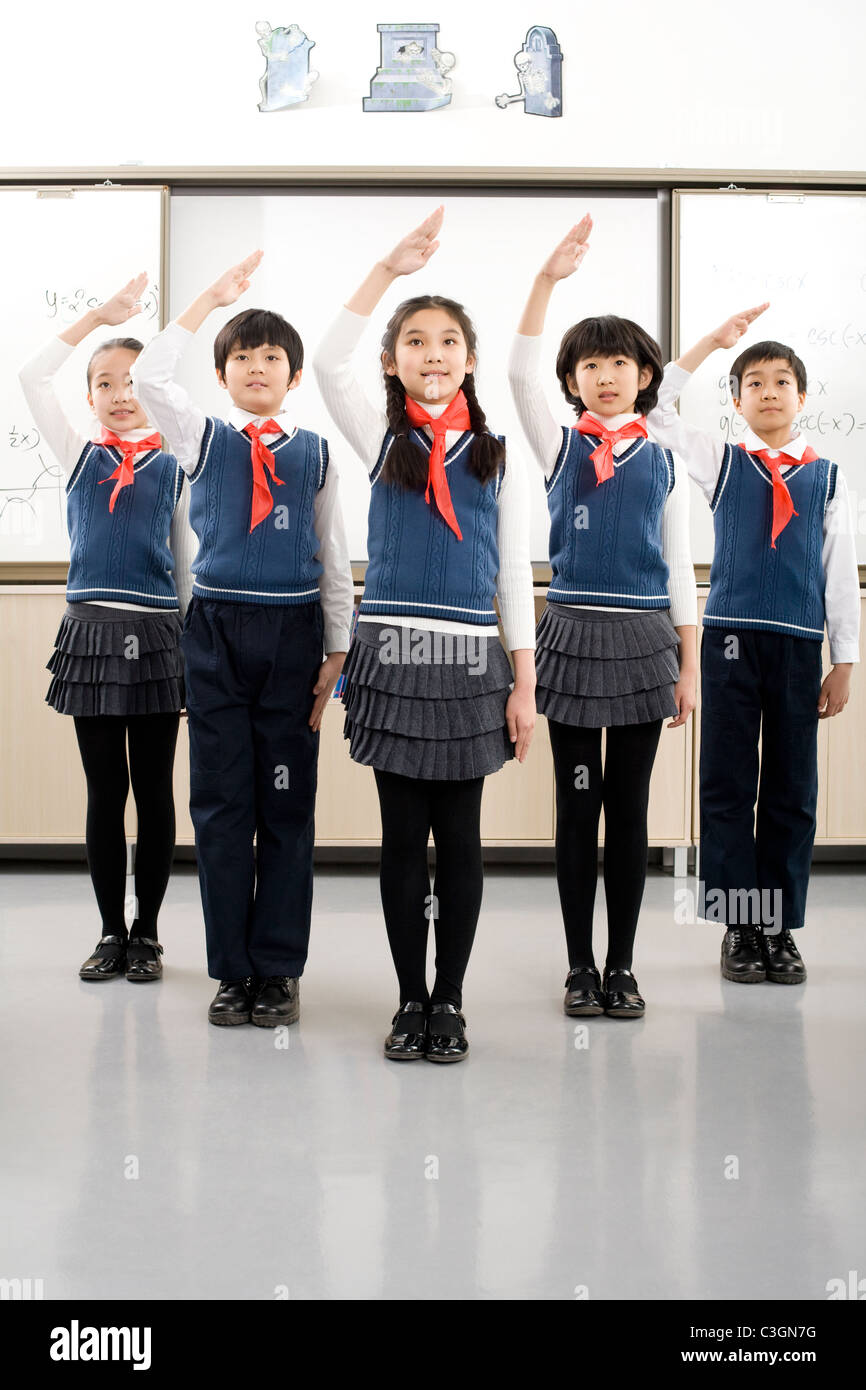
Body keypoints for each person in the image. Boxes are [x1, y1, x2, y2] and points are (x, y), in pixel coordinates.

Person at [313, 206, 536, 1063]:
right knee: (402, 841)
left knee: (464, 841)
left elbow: (513, 574)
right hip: (394, 658)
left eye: (448, 341)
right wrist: (386, 272)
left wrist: (523, 683)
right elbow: (329, 359)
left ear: (469, 359)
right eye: (415, 340)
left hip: (472, 660)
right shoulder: (382, 436)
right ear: (394, 359)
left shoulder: (499, 452)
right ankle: (409, 999)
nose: (433, 353)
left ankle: (452, 1002)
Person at [132, 252, 353, 1027]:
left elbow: (331, 558)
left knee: (287, 809)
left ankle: (279, 968)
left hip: (293, 636)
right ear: (222, 374)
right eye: (241, 357)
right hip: (217, 632)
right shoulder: (200, 438)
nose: (257, 367)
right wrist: (205, 304)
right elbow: (149, 381)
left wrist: (337, 651)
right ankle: (233, 970)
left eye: (272, 358)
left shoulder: (318, 454)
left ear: (294, 377)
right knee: (222, 805)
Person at [508, 216, 697, 1019]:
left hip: (647, 642)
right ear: (575, 379)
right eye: (591, 363)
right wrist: (547, 279)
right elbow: (518, 374)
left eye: (621, 361)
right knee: (576, 804)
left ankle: (623, 965)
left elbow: (681, 568)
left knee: (630, 810)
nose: (607, 374)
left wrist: (690, 667)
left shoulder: (666, 459)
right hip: (575, 638)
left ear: (647, 374)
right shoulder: (558, 446)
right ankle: (578, 967)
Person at [652, 310, 860, 984]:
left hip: (801, 648)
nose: (768, 392)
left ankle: (780, 927)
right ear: (737, 400)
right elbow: (655, 411)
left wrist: (845, 661)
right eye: (753, 383)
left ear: (802, 398)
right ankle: (740, 925)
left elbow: (838, 571)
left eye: (781, 382)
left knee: (793, 789)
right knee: (728, 782)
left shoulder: (828, 478)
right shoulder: (721, 462)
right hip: (732, 642)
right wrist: (711, 345)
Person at [18, 273, 192, 984]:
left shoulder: (179, 462)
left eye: (132, 381)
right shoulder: (79, 455)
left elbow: (185, 566)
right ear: (89, 395)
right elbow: (31, 376)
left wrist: (185, 645)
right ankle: (109, 931)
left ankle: (148, 933)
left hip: (155, 640)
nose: (122, 395)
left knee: (153, 790)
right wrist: (95, 316)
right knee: (103, 792)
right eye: (105, 383)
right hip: (90, 636)